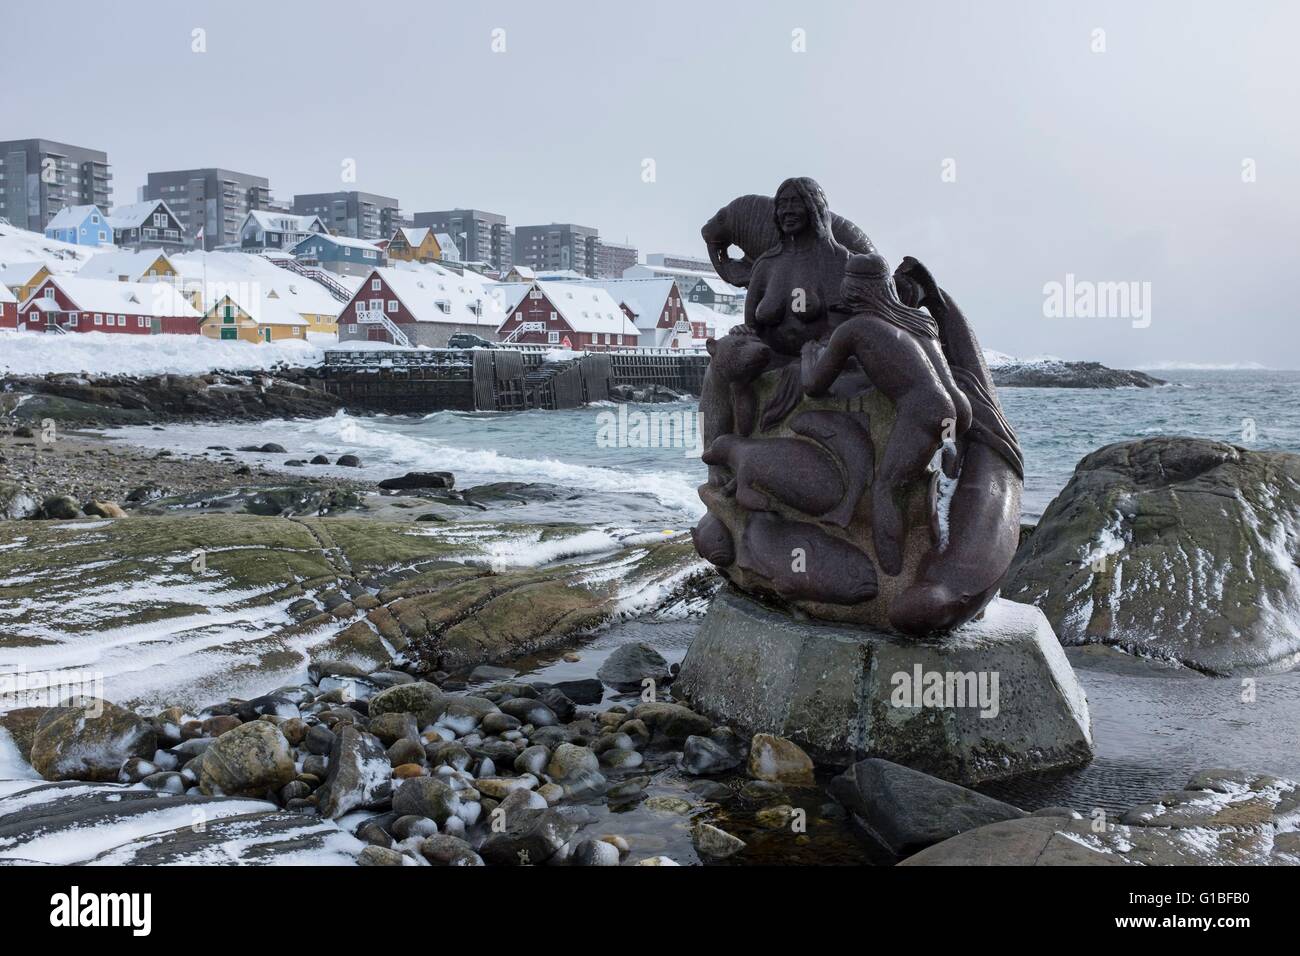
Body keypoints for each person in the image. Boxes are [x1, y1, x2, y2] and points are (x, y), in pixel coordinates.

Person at [801, 253, 972, 576]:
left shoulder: (854, 330)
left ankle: (892, 573)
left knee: (886, 487)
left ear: (852, 290)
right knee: (940, 481)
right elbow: (900, 367)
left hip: (927, 410)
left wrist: (810, 354)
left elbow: (813, 385)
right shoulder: (916, 322)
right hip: (960, 410)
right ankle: (942, 529)